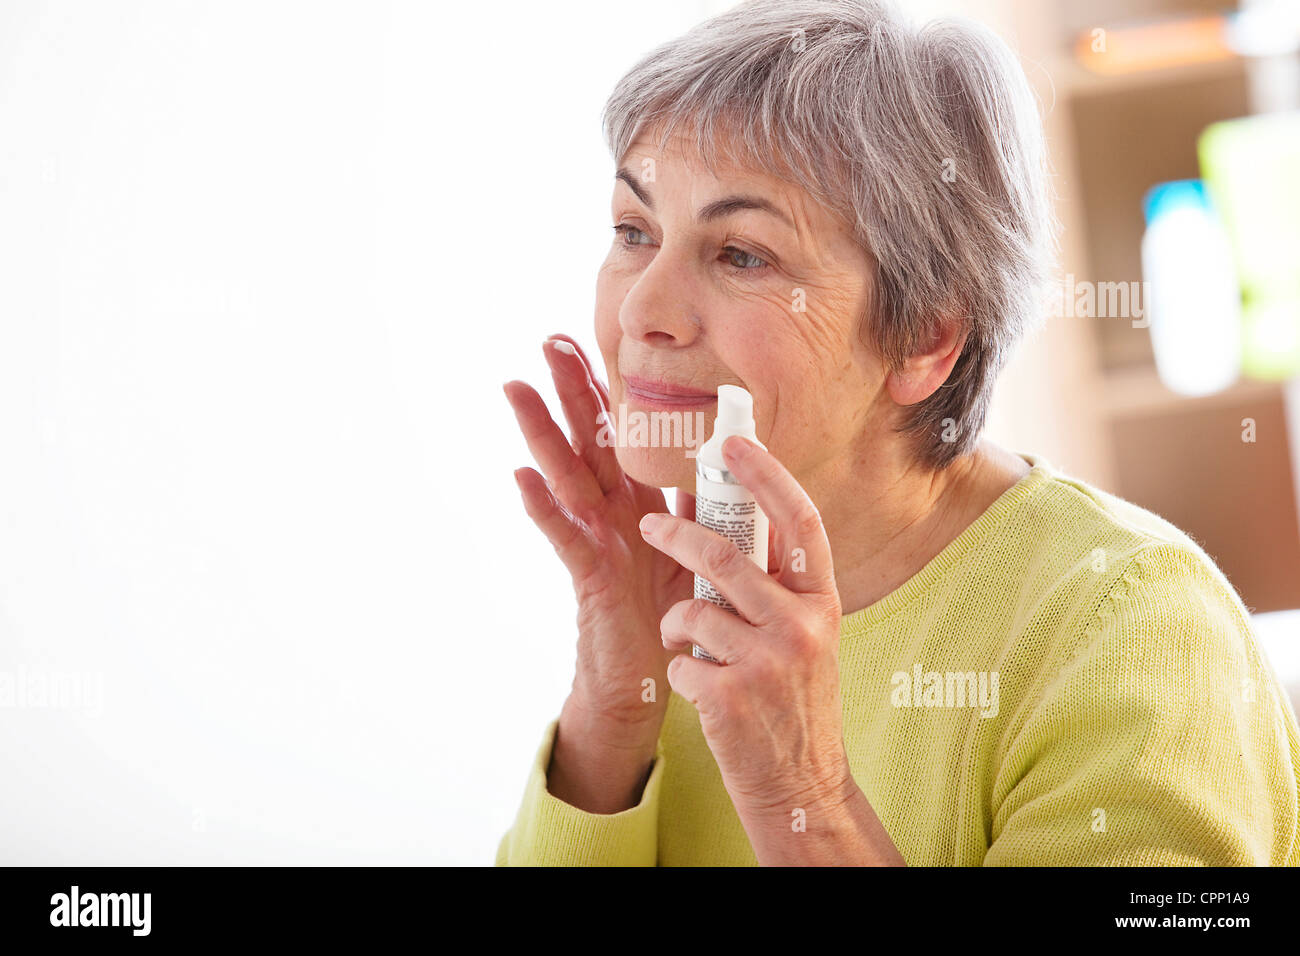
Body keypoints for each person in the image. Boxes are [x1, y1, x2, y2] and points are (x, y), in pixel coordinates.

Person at [497, 0, 1300, 865]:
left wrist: (802, 793)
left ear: (923, 339)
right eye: (633, 231)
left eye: (742, 255)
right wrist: (615, 702)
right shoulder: (683, 611)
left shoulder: (1131, 627)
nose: (643, 311)